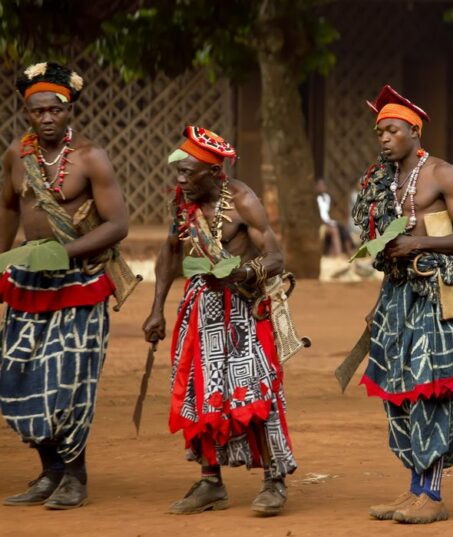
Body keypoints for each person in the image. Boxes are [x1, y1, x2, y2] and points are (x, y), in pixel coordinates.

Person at [142, 126, 297, 516]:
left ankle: (273, 480)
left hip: (243, 310)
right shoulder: (182, 203)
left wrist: (242, 275)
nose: (180, 180)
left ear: (213, 173)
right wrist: (156, 307)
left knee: (255, 391)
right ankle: (211, 482)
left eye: (188, 172)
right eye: (178, 172)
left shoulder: (244, 201)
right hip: (200, 309)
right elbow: (170, 253)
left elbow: (276, 258)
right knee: (198, 391)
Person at [0, 62, 130, 509]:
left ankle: (75, 475)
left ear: (69, 108)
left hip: (81, 281)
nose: (47, 118)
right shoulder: (16, 155)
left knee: (68, 380)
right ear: (27, 114)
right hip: (29, 282)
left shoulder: (90, 157)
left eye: (55, 109)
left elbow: (118, 224)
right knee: (19, 375)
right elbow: (9, 210)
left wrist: (65, 254)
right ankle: (48, 472)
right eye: (38, 112)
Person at [352, 84, 453, 524]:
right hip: (398, 294)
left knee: (433, 386)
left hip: (438, 293)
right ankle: (414, 490)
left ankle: (434, 494)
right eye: (379, 132)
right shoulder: (382, 183)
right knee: (399, 389)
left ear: (414, 131)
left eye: (392, 131)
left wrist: (418, 243)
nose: (384, 139)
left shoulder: (443, 173)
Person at [316, 177, 354, 257]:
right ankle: (338, 254)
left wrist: (329, 221)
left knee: (343, 228)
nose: (321, 187)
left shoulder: (327, 197)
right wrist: (326, 222)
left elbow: (326, 213)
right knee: (334, 230)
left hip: (327, 221)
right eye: (319, 185)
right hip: (320, 223)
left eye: (323, 185)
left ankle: (349, 250)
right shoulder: (315, 199)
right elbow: (319, 215)